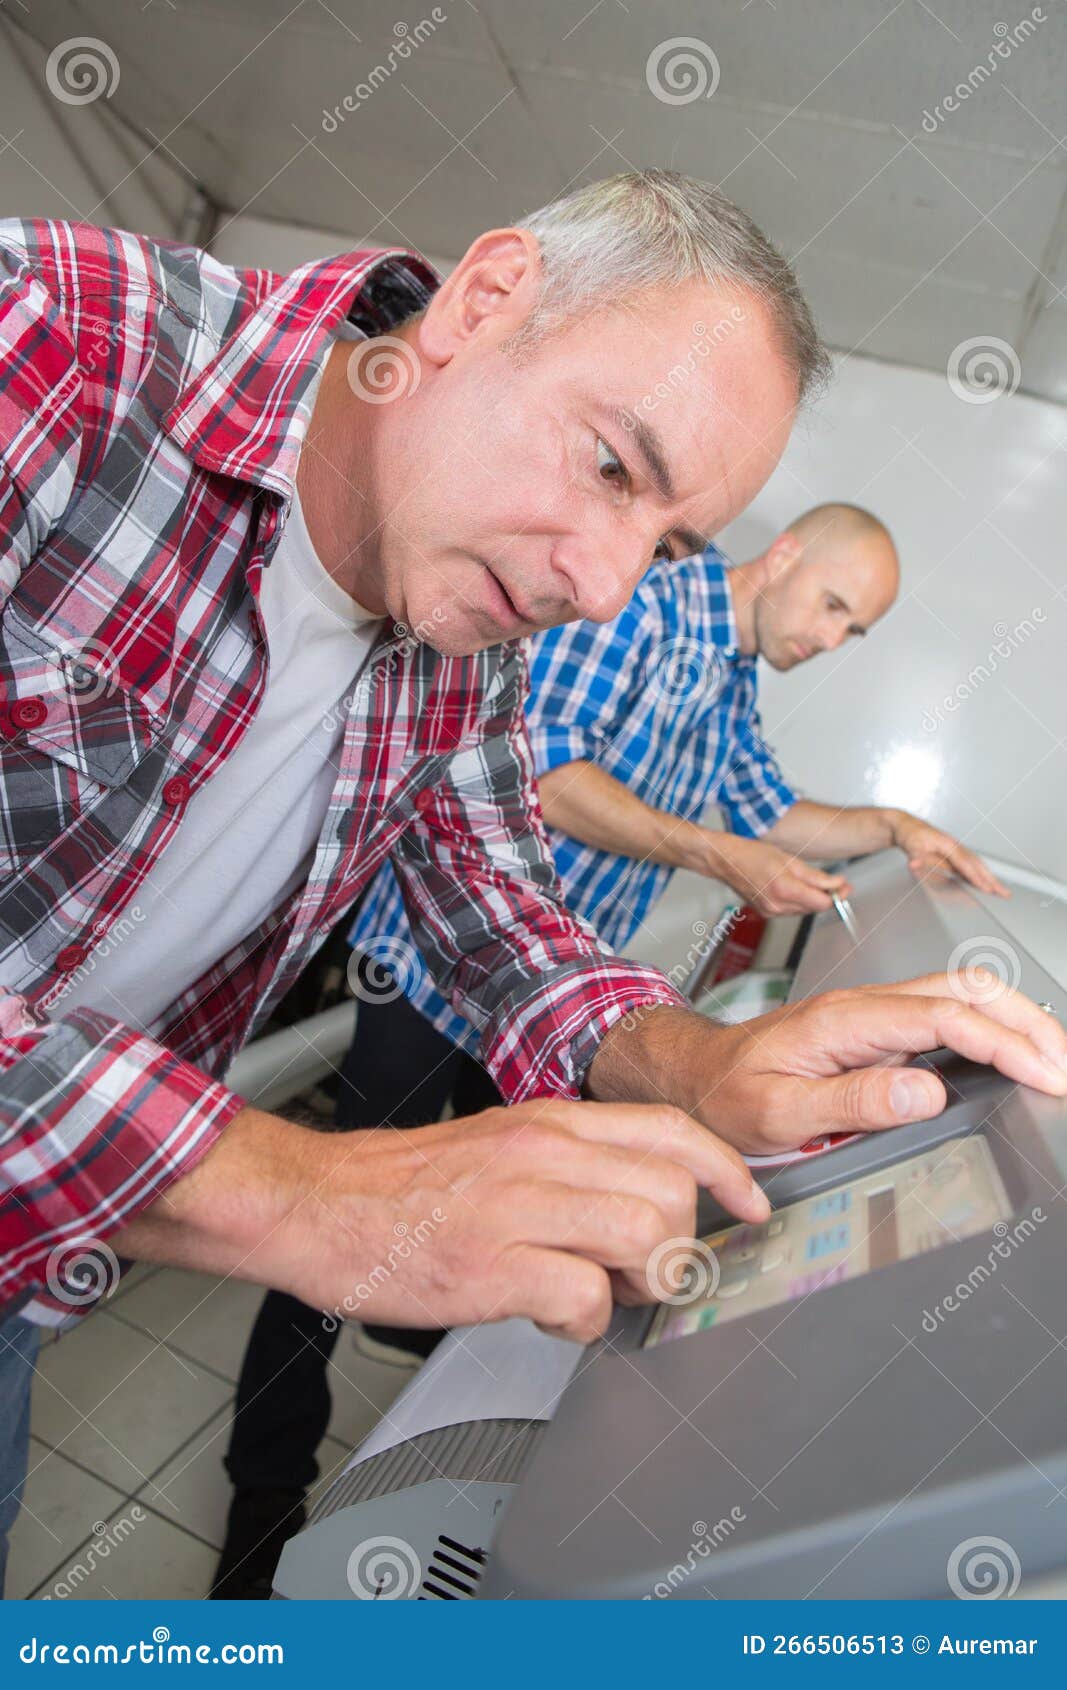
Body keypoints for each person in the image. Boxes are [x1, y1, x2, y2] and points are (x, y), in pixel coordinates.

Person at [3, 175, 1063, 1603]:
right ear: (484, 299)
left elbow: (497, 905)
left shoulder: (463, 616)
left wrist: (698, 1062)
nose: (603, 585)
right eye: (612, 466)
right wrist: (297, 1189)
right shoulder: (52, 346)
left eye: (662, 537)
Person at [218, 511, 1014, 1594]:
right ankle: (263, 1501)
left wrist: (890, 825)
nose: (830, 638)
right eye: (833, 606)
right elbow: (546, 777)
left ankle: (409, 1364)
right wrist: (716, 855)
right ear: (782, 557)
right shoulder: (639, 604)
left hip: (550, 1007)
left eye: (854, 631)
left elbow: (770, 808)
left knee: (487, 1201)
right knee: (347, 1223)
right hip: (441, 963)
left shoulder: (730, 678)